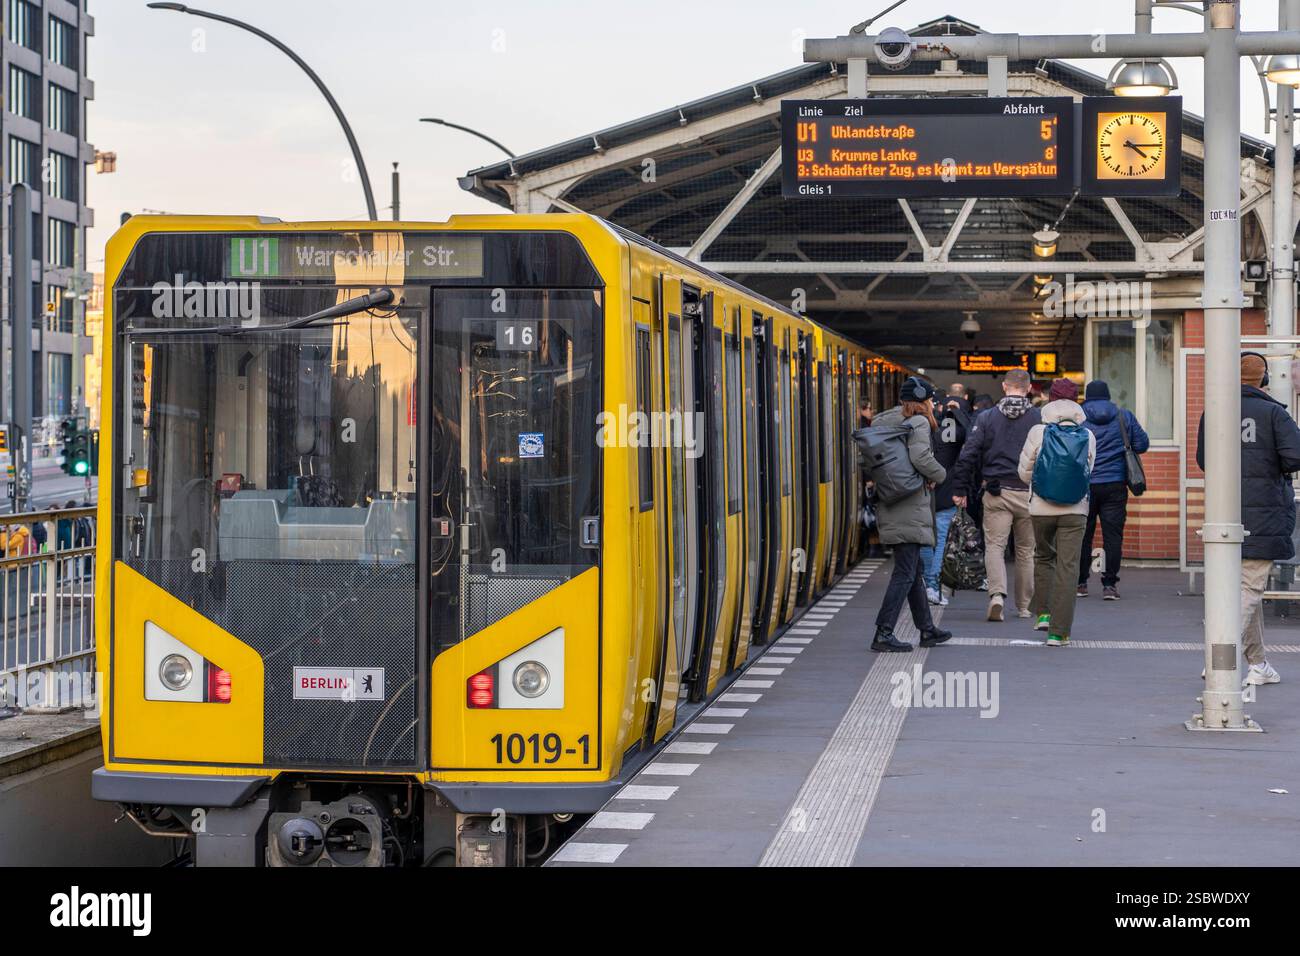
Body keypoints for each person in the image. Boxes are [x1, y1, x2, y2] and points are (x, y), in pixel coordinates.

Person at [1196, 353, 1300, 686]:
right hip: (1266, 510)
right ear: (1264, 380)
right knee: (1250, 587)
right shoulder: (1273, 413)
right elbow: (1295, 457)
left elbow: (1203, 459)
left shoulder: (1214, 411)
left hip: (1224, 511)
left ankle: (1258, 664)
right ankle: (1217, 657)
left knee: (1245, 589)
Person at [868, 377, 952, 652]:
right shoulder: (917, 422)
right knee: (905, 572)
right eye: (930, 399)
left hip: (892, 499)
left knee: (913, 569)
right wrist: (940, 476)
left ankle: (927, 630)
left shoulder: (884, 422)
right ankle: (883, 632)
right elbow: (920, 457)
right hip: (910, 505)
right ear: (923, 401)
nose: (933, 404)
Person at [952, 368, 1042, 621]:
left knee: (994, 547)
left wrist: (959, 488)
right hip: (1028, 492)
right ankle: (1024, 606)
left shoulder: (987, 417)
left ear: (1004, 387)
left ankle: (996, 596)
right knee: (1025, 551)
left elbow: (968, 453)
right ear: (1029, 388)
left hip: (996, 491)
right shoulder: (1038, 418)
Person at [1019, 378, 1096, 646]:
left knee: (1043, 557)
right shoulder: (1087, 435)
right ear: (1076, 402)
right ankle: (1058, 632)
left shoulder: (1038, 432)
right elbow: (1089, 471)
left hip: (1041, 508)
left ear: (1051, 400)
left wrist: (1039, 483)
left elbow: (1023, 471)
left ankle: (1043, 614)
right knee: (1068, 566)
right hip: (1075, 509)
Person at [1077, 380, 1149, 600]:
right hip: (1115, 483)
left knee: (1082, 534)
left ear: (1087, 396)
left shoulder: (1078, 417)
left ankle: (1080, 583)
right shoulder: (1123, 415)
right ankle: (1109, 585)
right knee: (1113, 536)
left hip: (1084, 484)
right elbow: (1142, 444)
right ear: (1108, 395)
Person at [921, 393, 970, 605]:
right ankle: (933, 584)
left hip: (924, 490)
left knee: (924, 539)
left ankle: (926, 582)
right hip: (949, 491)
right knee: (941, 539)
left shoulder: (927, 427)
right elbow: (973, 435)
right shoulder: (959, 431)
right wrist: (958, 412)